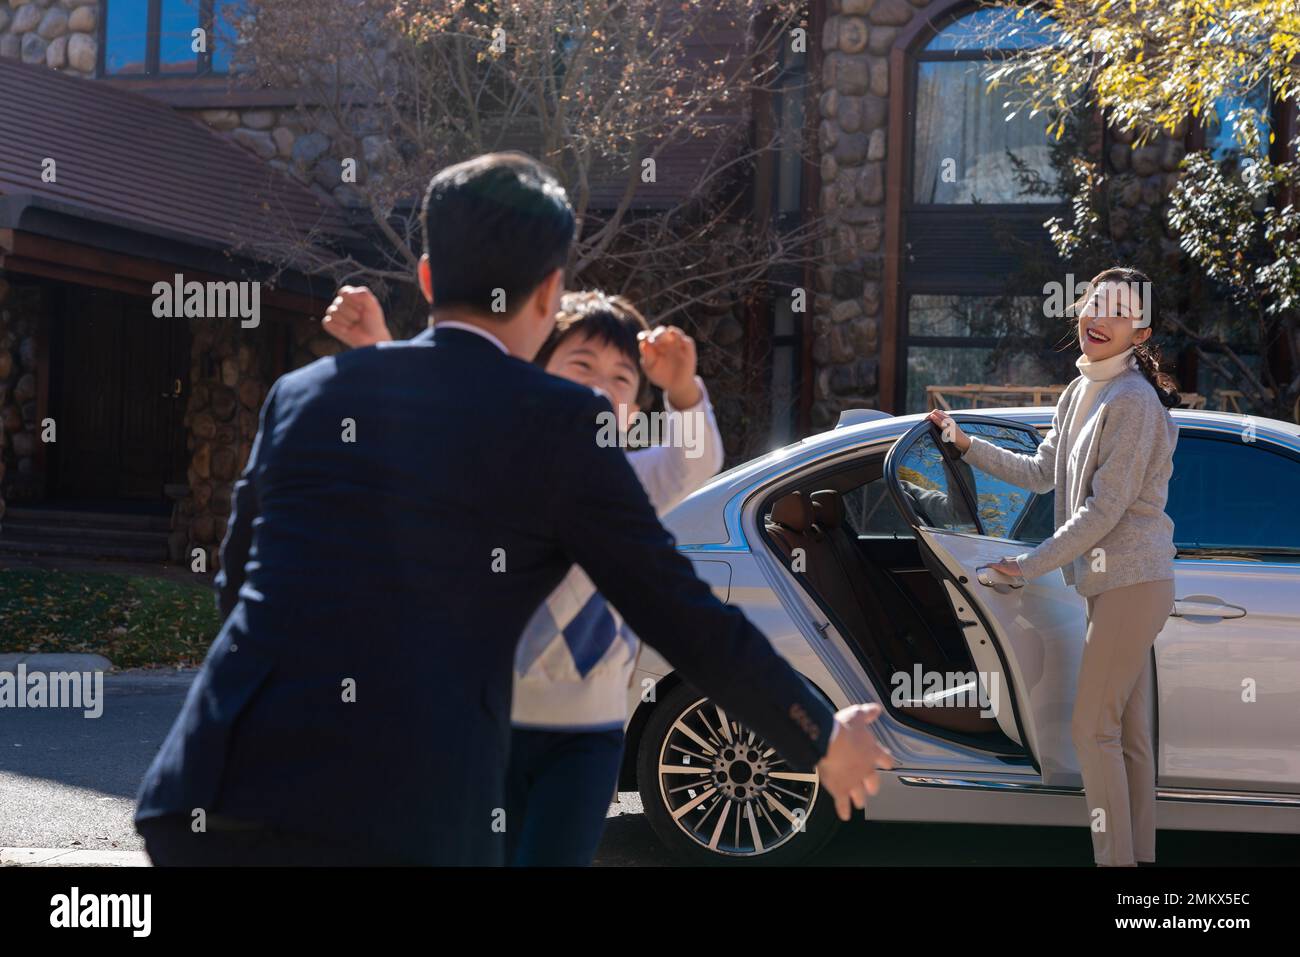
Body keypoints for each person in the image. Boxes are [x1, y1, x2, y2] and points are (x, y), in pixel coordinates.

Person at [135, 151, 895, 866]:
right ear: (547, 295)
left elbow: (237, 581)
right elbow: (678, 610)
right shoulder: (560, 422)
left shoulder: (305, 393)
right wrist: (820, 736)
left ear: (428, 276)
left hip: (210, 787)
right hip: (399, 818)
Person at [324, 286, 725, 864]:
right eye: (581, 365)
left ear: (634, 411)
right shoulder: (491, 460)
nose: (599, 386)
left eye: (621, 379)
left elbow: (695, 460)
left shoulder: (637, 480)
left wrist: (682, 389)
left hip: (588, 736)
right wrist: (377, 347)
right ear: (535, 377)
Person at [928, 266, 1179, 867]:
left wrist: (1028, 565)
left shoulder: (1134, 402)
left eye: (1118, 312)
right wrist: (966, 445)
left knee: (1093, 732)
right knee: (1129, 738)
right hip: (1109, 584)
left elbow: (1105, 510)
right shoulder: (1078, 393)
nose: (1099, 318)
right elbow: (1041, 473)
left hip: (1133, 581)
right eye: (1094, 304)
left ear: (1139, 333)